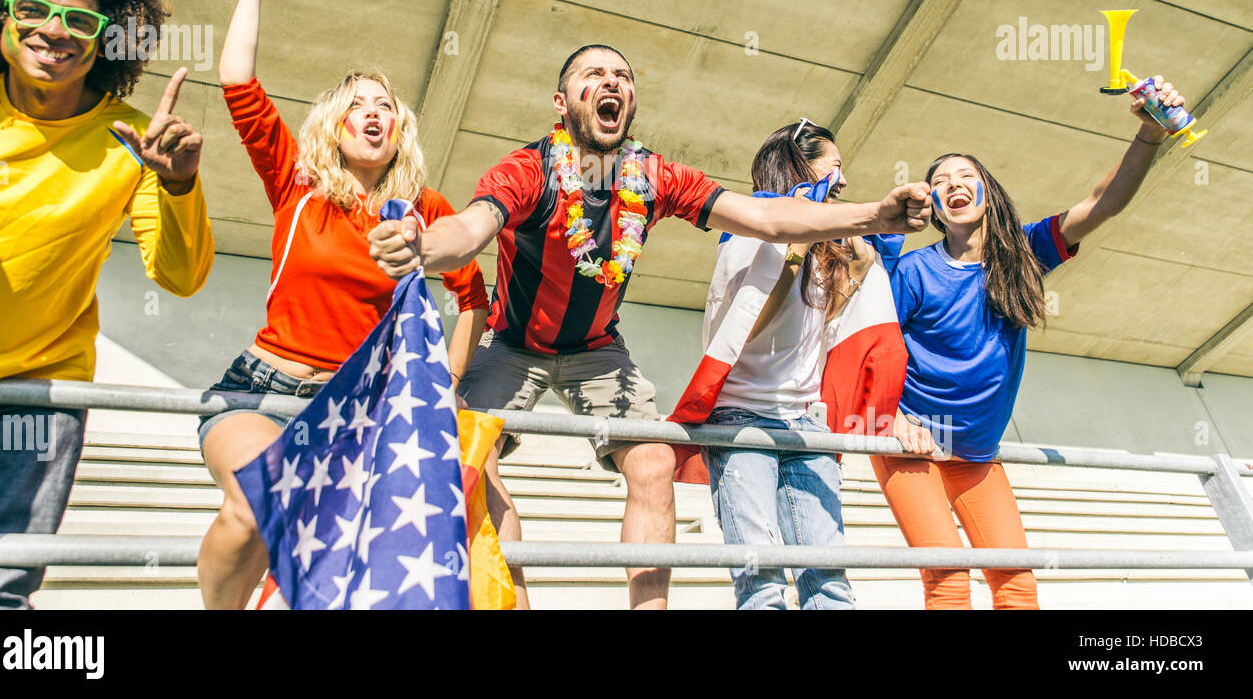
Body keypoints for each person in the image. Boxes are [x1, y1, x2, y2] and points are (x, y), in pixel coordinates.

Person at [369, 43, 933, 609]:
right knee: (470, 452)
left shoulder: (652, 175)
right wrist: (423, 246)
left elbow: (764, 216)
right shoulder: (527, 168)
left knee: (655, 460)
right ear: (561, 103)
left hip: (597, 350)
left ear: (631, 101)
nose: (612, 81)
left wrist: (872, 215)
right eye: (595, 73)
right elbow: (469, 230)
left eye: (623, 75)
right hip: (512, 342)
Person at [195, 0, 489, 609]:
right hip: (261, 389)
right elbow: (238, 80)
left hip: (363, 407)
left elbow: (473, 298)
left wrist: (447, 383)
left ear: (400, 128)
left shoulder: (423, 209)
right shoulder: (295, 183)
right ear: (336, 121)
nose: (374, 111)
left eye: (385, 104)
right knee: (251, 509)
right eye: (359, 103)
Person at [0, 0, 214, 609]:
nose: (55, 30)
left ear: (106, 42)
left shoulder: (134, 140)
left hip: (38, 378)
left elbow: (180, 276)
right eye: (32, 9)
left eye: (82, 22)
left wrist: (177, 181)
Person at [876, 77, 1190, 609]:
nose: (952, 182)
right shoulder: (913, 271)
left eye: (965, 174)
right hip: (913, 448)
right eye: (940, 180)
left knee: (1017, 587)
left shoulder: (1021, 253)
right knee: (949, 582)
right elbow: (875, 349)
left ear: (986, 191)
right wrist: (890, 416)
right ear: (933, 203)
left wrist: (1151, 134)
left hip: (976, 455)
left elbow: (1103, 202)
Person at [693, 121, 878, 610]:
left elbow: (824, 322)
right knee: (762, 584)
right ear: (800, 165)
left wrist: (853, 257)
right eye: (833, 165)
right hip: (742, 419)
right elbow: (745, 328)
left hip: (803, 423)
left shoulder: (823, 252)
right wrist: (795, 243)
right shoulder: (749, 228)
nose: (841, 179)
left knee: (829, 583)